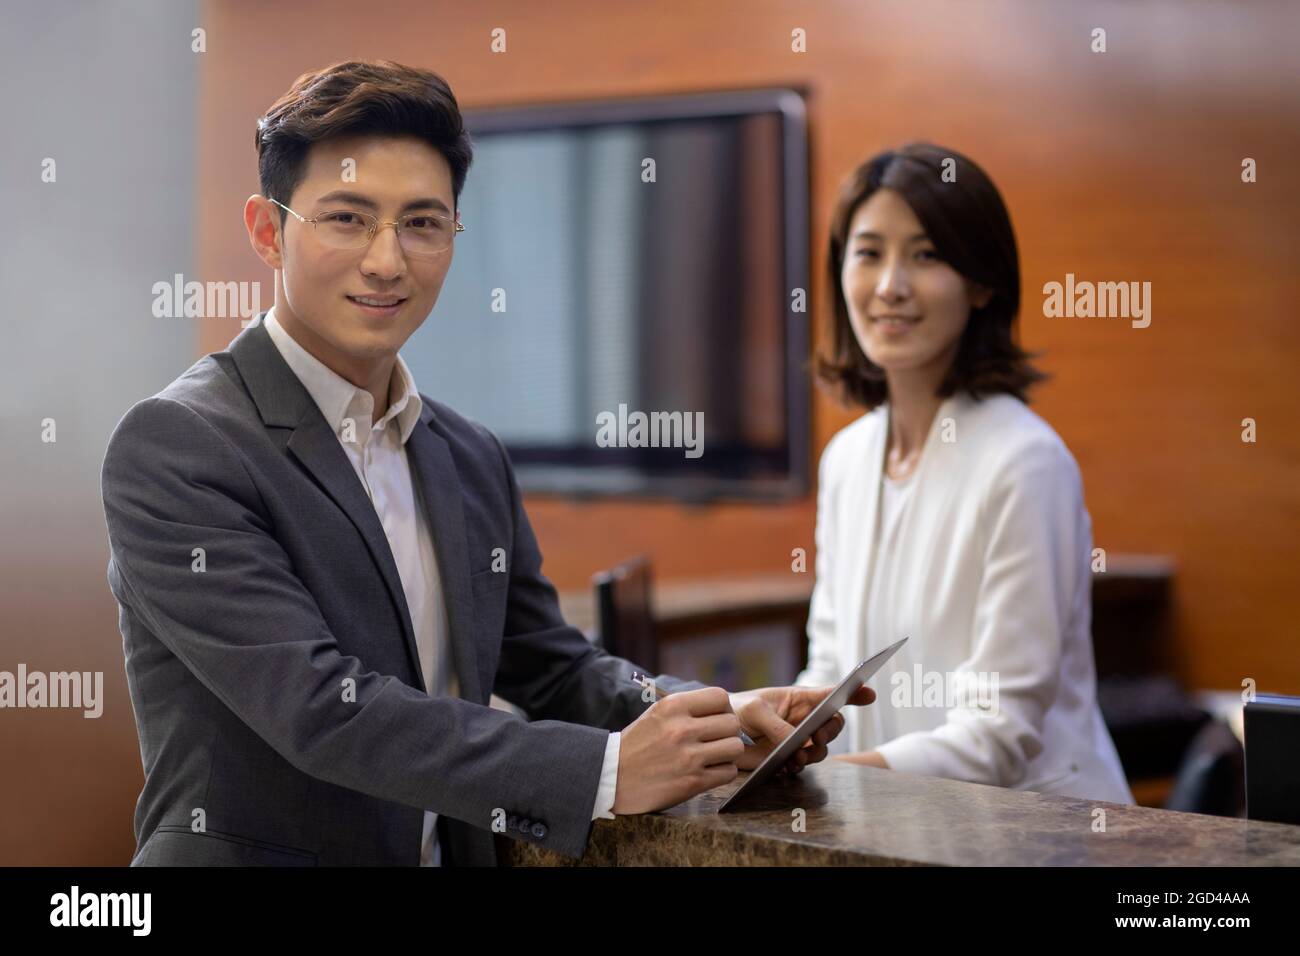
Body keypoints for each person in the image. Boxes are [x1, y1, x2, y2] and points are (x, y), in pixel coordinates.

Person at [100, 60, 872, 867]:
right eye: (348, 218)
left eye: (423, 223)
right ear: (267, 230)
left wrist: (709, 714)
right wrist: (606, 771)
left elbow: (550, 664)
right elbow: (320, 710)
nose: (387, 261)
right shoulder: (180, 444)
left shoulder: (465, 453)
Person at [796, 142, 1133, 805]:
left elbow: (998, 734)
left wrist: (835, 780)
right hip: (897, 829)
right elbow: (831, 673)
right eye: (868, 253)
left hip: (1033, 835)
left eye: (925, 255)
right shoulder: (848, 459)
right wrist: (768, 741)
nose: (890, 285)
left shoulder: (1024, 462)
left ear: (980, 282)